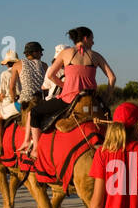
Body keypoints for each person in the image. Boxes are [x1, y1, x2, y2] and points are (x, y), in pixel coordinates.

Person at [21, 27, 116, 156]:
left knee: (35, 112)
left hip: (69, 99)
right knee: (108, 118)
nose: (93, 42)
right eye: (92, 39)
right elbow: (112, 77)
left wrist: (65, 86)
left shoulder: (65, 53)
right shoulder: (96, 56)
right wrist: (107, 97)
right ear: (85, 38)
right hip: (92, 101)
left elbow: (51, 75)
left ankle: (36, 148)